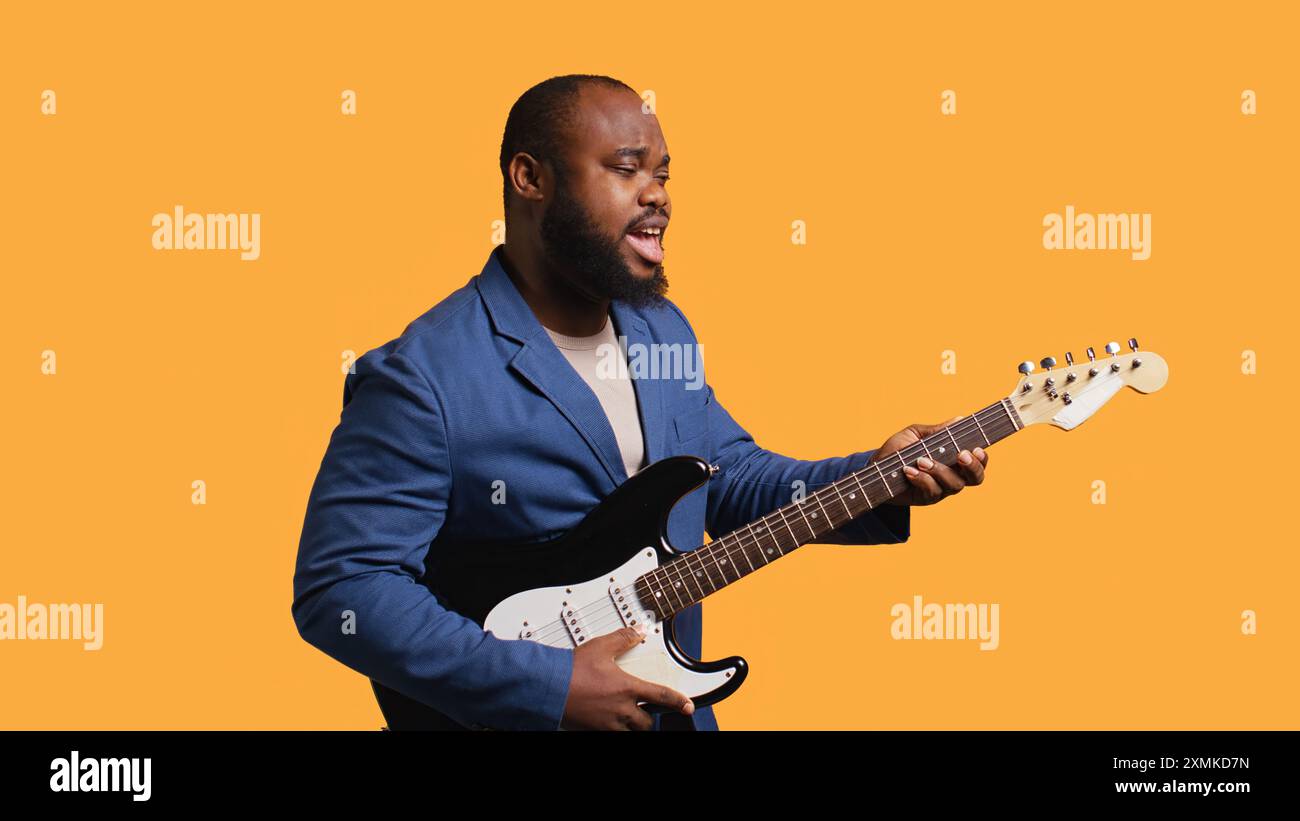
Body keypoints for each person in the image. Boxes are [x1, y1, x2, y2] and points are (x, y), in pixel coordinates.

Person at [292, 74, 989, 731]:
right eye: (626, 169)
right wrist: (549, 684)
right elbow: (344, 587)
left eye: (662, 173)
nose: (657, 194)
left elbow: (728, 479)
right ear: (529, 178)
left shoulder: (661, 329)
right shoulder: (424, 376)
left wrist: (876, 475)